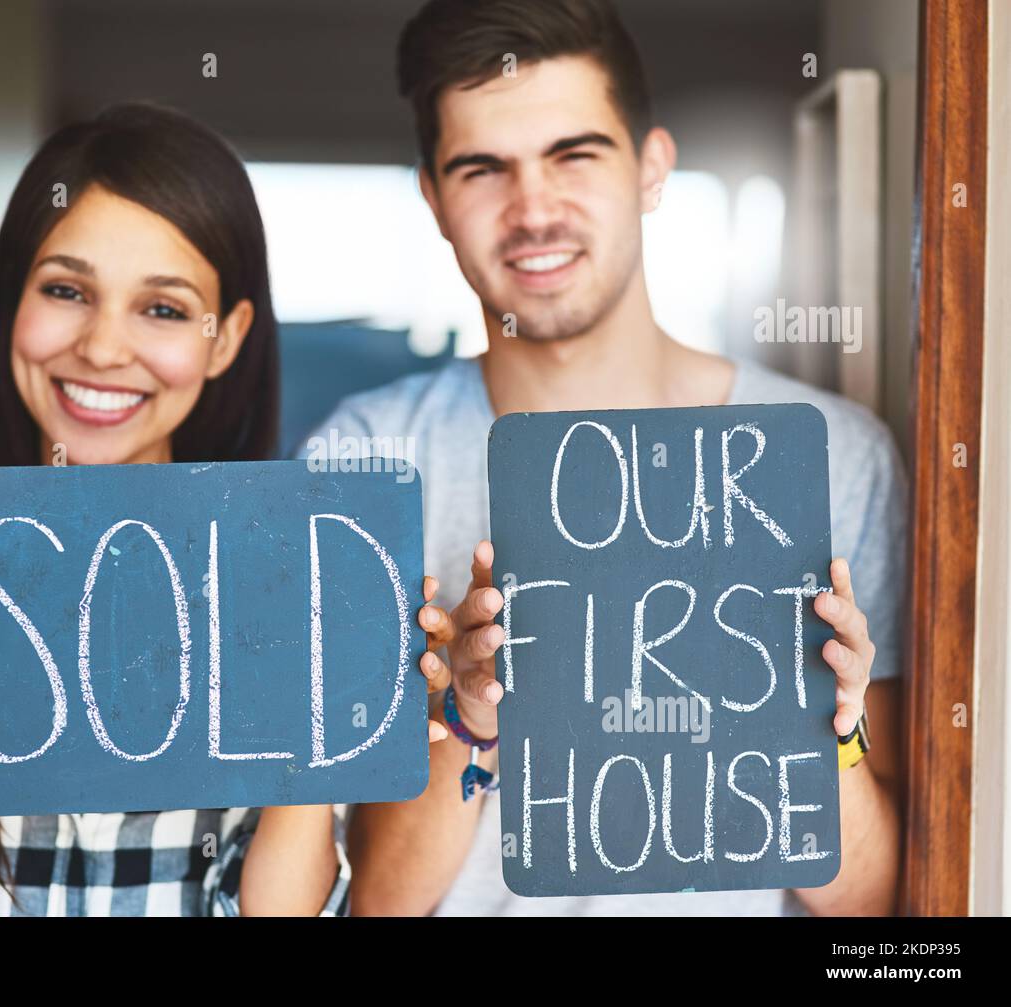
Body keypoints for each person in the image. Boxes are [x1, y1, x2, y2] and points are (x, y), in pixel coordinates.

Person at [310, 0, 905, 916]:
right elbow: (372, 903)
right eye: (482, 168)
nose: (533, 208)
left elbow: (872, 912)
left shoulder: (838, 457)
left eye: (574, 154)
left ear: (652, 169)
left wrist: (826, 729)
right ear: (432, 197)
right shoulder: (360, 462)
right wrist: (468, 716)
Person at [0, 102, 445, 917]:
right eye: (66, 289)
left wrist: (310, 713)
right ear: (10, 301)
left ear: (226, 337)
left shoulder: (278, 554)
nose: (102, 347)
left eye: (163, 308)